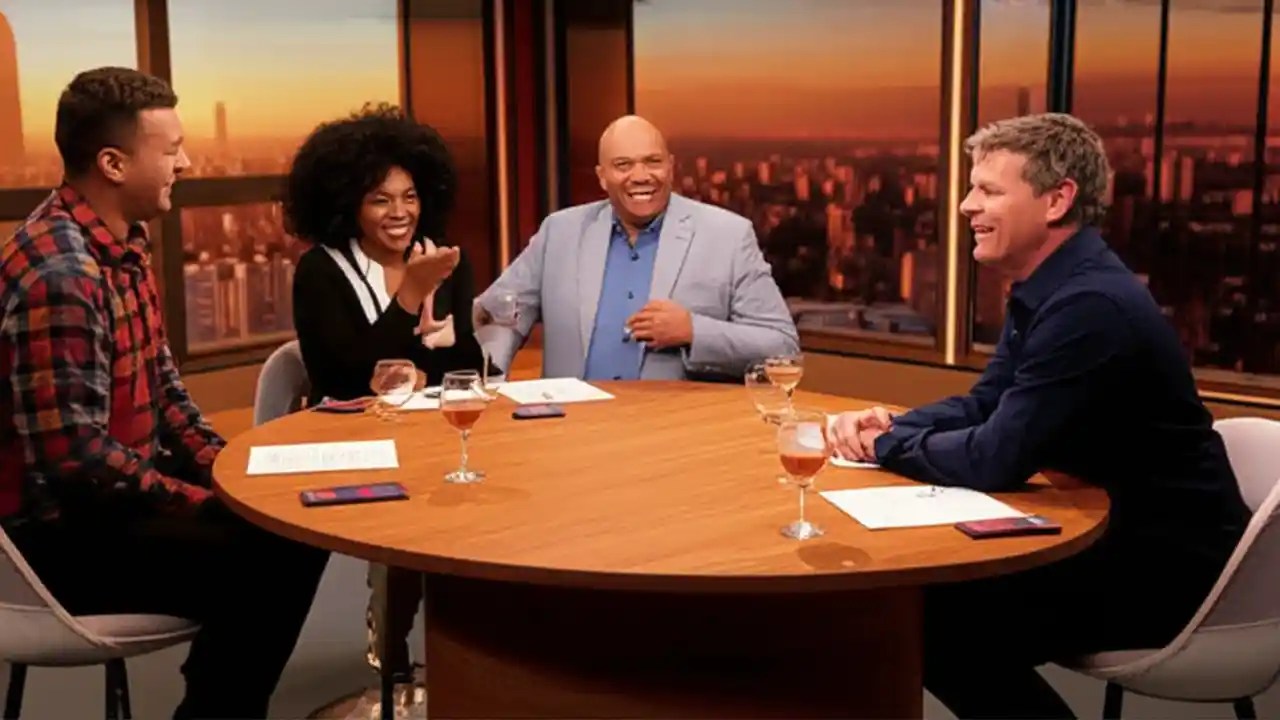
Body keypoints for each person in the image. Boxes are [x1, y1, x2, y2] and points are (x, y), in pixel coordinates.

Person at [830, 113, 1250, 718]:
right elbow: (986, 403)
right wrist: (897, 425)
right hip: (1120, 537)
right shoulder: (1055, 287)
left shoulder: (1089, 306)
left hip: (1169, 572)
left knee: (931, 620)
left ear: (1057, 201)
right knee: (925, 606)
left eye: (989, 190)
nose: (966, 206)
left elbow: (995, 457)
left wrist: (882, 446)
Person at [0, 67, 330, 719]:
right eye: (171, 149)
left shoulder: (123, 244)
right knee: (274, 556)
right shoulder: (63, 274)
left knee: (288, 523)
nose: (186, 163)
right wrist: (204, 504)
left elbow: (166, 394)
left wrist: (230, 476)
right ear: (113, 164)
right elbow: (76, 462)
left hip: (108, 506)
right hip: (51, 541)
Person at [283, 103, 483, 714]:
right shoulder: (323, 271)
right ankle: (391, 662)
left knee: (476, 495)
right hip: (352, 442)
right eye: (380, 200)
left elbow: (467, 368)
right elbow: (343, 378)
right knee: (414, 509)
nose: (400, 213)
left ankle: (461, 663)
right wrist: (411, 297)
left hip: (432, 434)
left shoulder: (444, 258)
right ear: (349, 203)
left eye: (410, 197)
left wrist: (435, 354)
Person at [474, 114, 798, 381]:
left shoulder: (727, 236)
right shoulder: (560, 232)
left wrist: (694, 332)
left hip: (678, 429)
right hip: (572, 427)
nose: (640, 176)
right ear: (602, 176)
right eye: (623, 165)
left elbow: (782, 347)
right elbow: (496, 314)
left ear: (671, 166)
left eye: (652, 162)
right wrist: (492, 379)